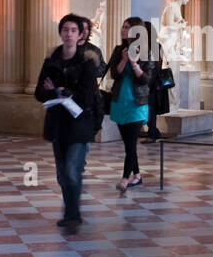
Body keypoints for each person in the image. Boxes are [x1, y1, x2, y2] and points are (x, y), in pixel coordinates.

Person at [35, 14, 101, 227]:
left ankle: (73, 215)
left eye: (73, 30)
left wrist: (59, 90)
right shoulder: (51, 59)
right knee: (62, 174)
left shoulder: (87, 61)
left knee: (72, 170)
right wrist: (60, 92)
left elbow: (86, 95)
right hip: (58, 123)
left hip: (79, 124)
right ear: (60, 32)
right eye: (65, 30)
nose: (69, 34)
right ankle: (69, 213)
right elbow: (39, 92)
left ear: (80, 34)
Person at [106, 17, 154, 192]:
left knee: (131, 143)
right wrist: (124, 60)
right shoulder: (119, 50)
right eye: (123, 26)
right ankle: (138, 175)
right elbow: (114, 74)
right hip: (120, 100)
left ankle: (125, 178)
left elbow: (145, 80)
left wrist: (134, 63)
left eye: (127, 27)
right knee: (128, 143)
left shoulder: (148, 51)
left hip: (137, 103)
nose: (122, 29)